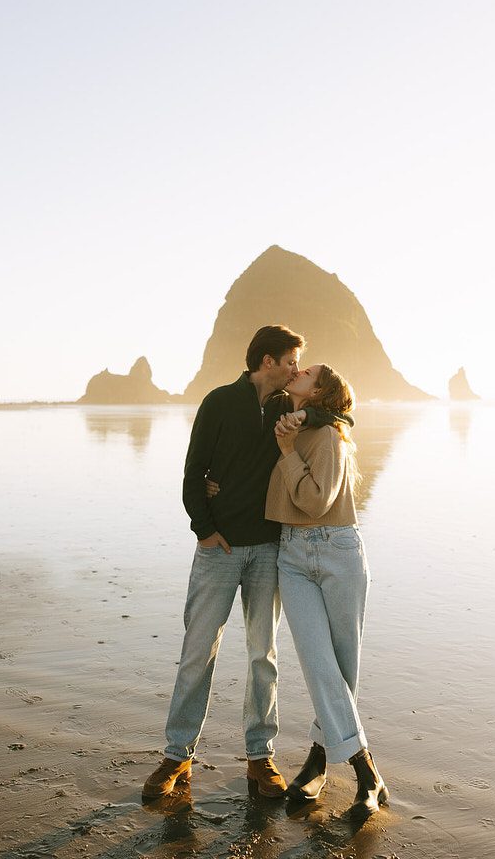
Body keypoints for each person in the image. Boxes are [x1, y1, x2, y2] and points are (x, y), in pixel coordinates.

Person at [142, 325, 343, 802]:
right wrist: (204, 528)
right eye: (291, 360)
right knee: (198, 653)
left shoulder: (287, 411)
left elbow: (336, 414)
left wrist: (307, 414)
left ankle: (260, 757)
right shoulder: (218, 402)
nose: (296, 368)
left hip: (269, 549)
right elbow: (194, 472)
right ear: (268, 361)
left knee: (262, 656)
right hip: (219, 549)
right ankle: (177, 755)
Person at [266, 363, 388, 815]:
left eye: (309, 371)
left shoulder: (332, 436)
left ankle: (319, 761)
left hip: (337, 550)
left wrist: (286, 450)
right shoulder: (284, 425)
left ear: (319, 392)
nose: (297, 369)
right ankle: (368, 774)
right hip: (291, 555)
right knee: (320, 665)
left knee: (340, 668)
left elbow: (316, 501)